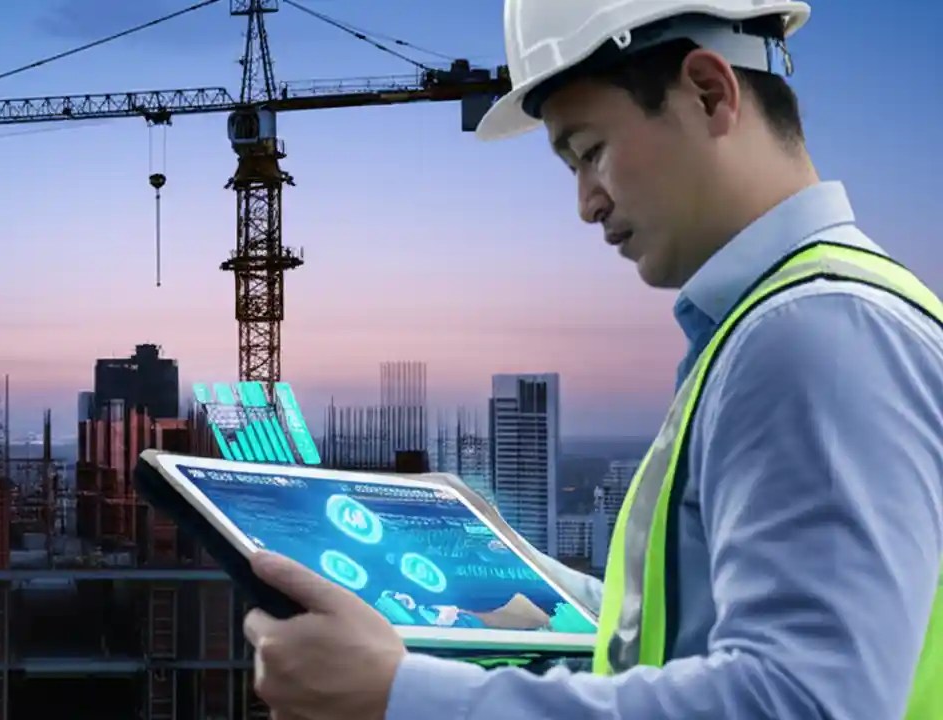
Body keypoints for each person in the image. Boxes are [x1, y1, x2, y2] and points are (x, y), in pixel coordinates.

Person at [241, 0, 943, 718]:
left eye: (590, 150)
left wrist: (404, 697)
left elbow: (801, 702)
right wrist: (499, 560)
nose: (585, 203)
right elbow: (682, 640)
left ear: (709, 93)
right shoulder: (792, 320)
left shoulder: (811, 333)